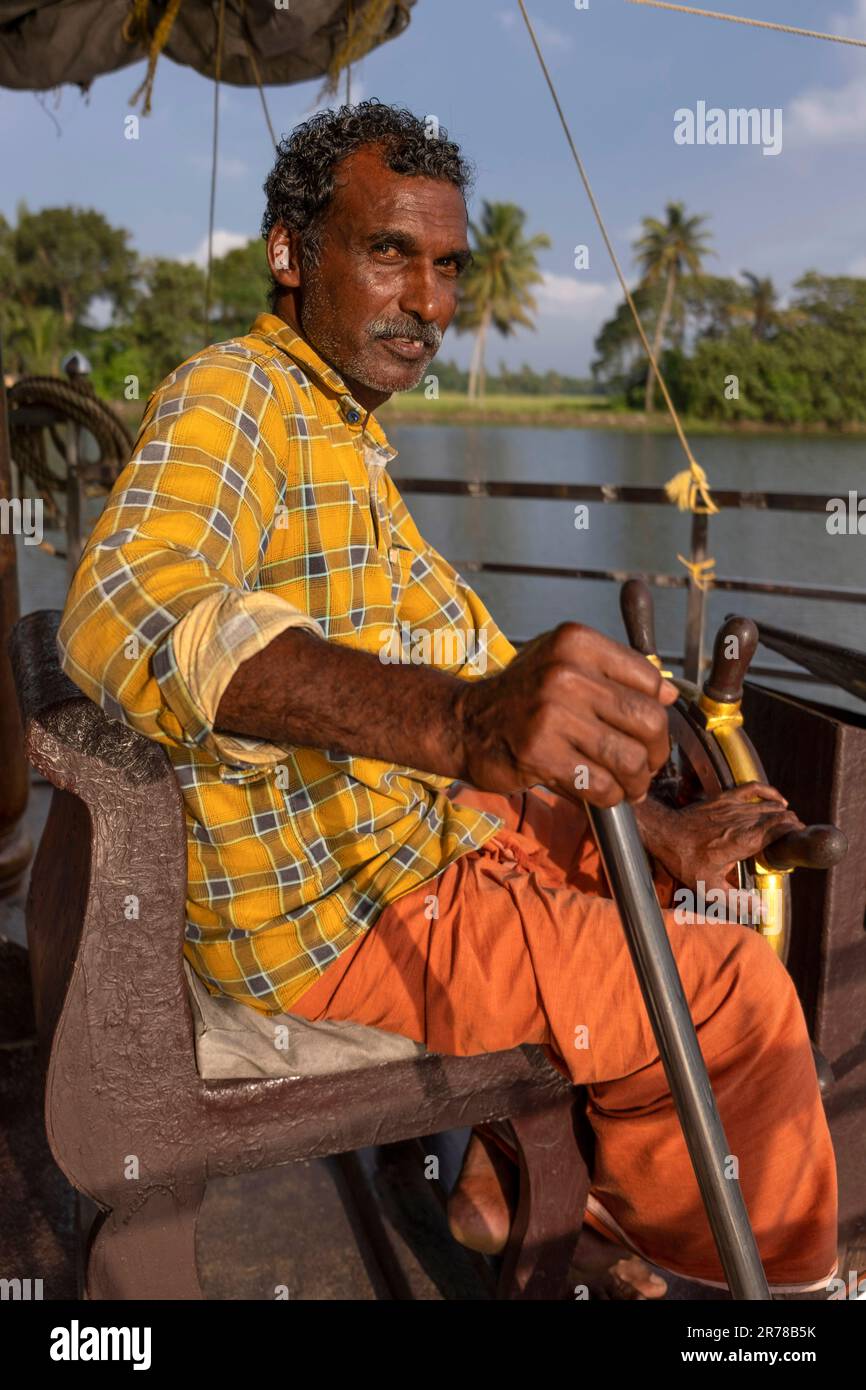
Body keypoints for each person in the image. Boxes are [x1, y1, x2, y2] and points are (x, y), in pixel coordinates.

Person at [58, 100, 837, 1299]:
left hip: (412, 840)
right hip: (336, 920)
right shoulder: (235, 399)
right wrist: (458, 723)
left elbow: (453, 675)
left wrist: (647, 825)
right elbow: (126, 606)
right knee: (731, 988)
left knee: (673, 870)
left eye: (447, 266)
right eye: (387, 254)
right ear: (290, 254)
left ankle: (489, 1192)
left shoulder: (342, 432)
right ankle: (778, 1298)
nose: (426, 301)